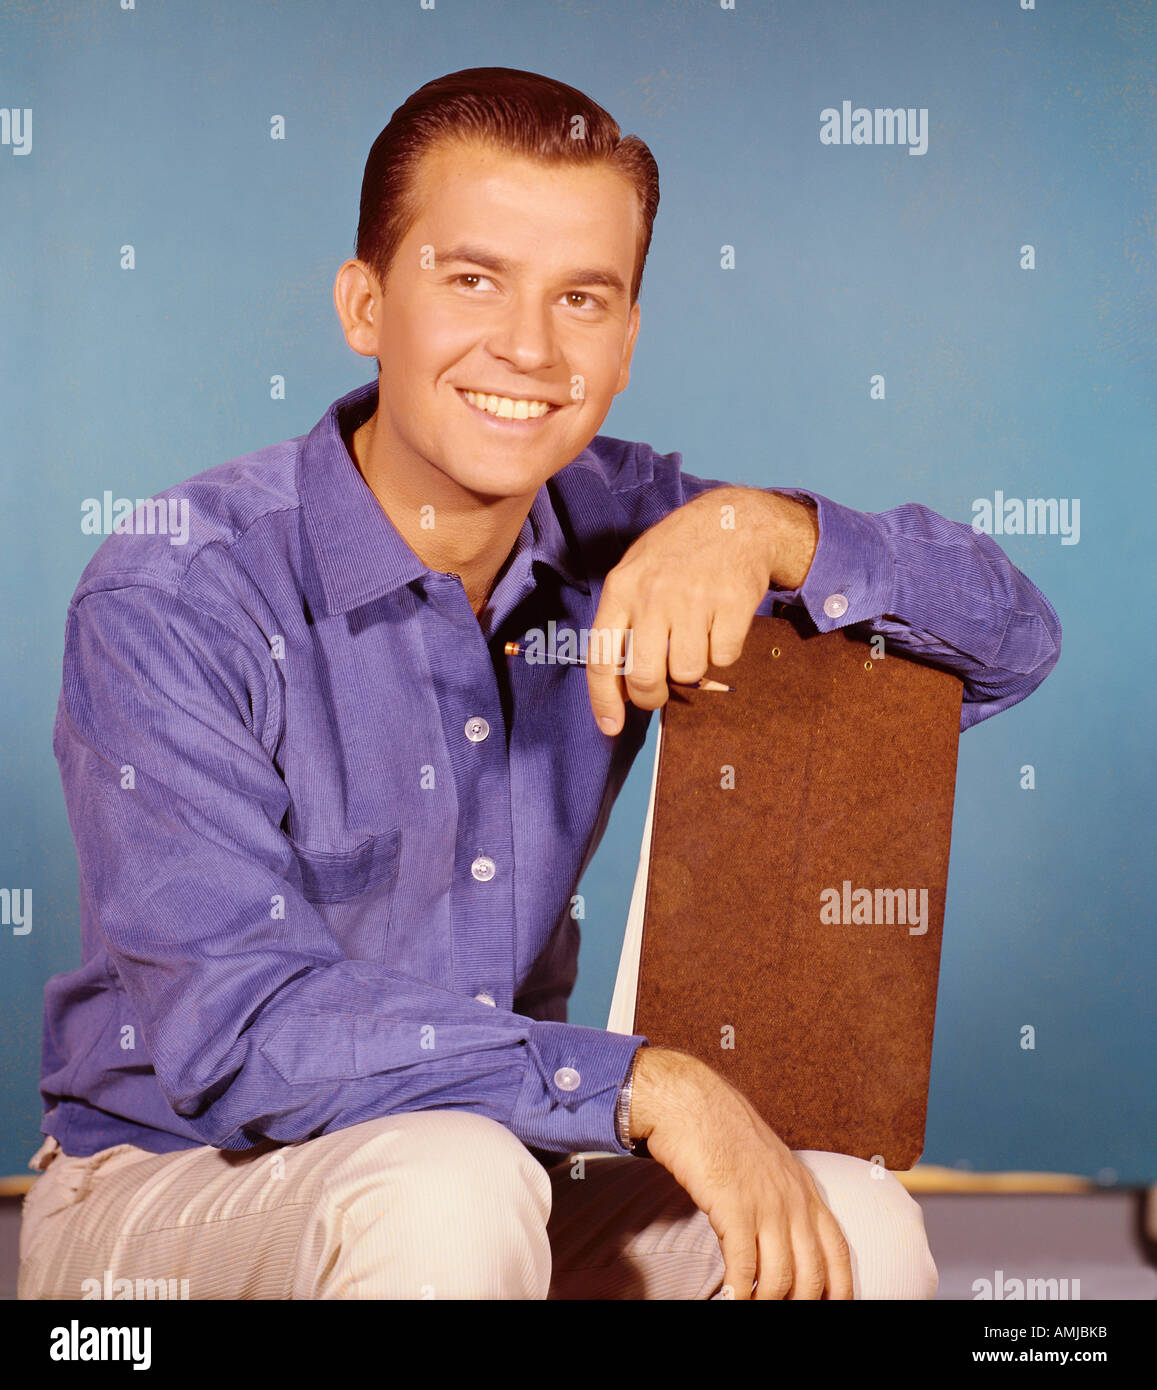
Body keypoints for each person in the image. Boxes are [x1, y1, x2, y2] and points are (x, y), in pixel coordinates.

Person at [19, 67, 1060, 1301]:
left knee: (852, 1218)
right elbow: (237, 1034)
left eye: (582, 296)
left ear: (626, 341)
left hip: (514, 1163)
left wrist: (767, 531)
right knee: (448, 1186)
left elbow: (1006, 642)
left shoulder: (633, 526)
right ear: (363, 304)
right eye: (471, 279)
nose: (527, 345)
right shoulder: (177, 591)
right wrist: (639, 1082)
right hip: (174, 1183)